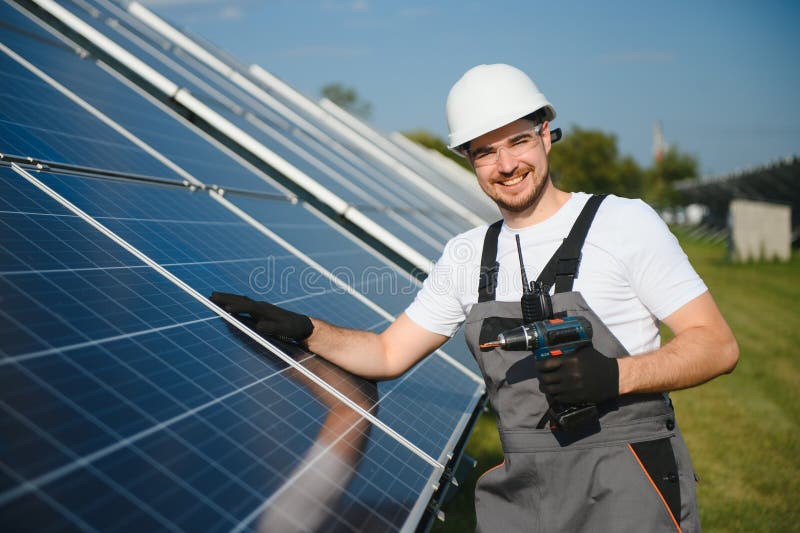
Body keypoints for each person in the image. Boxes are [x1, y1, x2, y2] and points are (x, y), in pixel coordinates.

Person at [211, 63, 738, 532]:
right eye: (485, 151)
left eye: (518, 142)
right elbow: (388, 354)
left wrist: (616, 376)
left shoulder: (624, 223)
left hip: (627, 477)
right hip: (523, 493)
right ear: (468, 158)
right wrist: (307, 329)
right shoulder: (468, 255)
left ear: (547, 135)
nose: (505, 165)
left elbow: (716, 345)